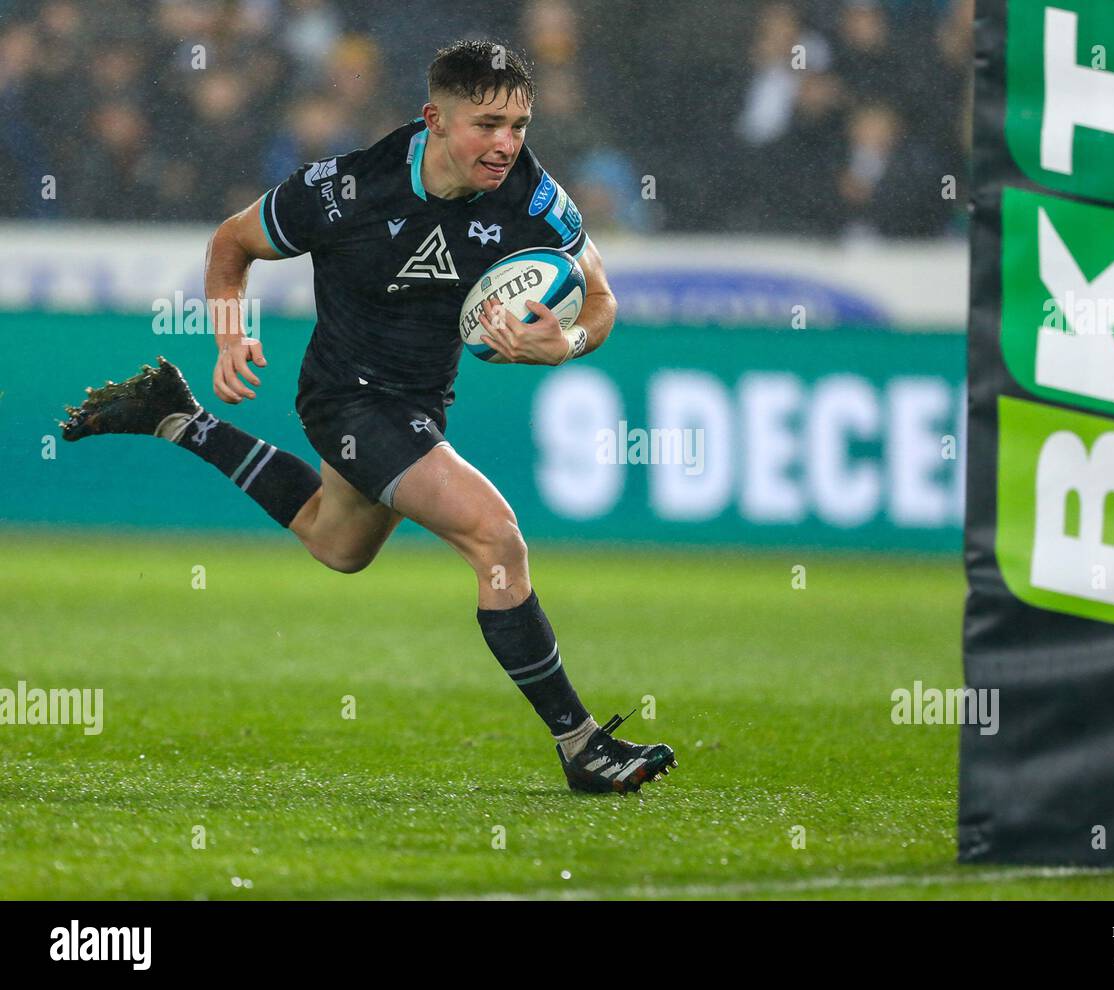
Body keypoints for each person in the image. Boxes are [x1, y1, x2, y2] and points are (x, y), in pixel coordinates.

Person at [58, 40, 676, 795]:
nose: (507, 144)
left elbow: (601, 295)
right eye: (487, 124)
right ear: (434, 119)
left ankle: (178, 420)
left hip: (420, 401)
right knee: (496, 537)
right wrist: (229, 332)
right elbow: (232, 241)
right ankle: (581, 745)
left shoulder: (532, 194)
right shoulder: (348, 188)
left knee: (338, 542)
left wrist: (568, 340)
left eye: (519, 124)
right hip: (345, 396)